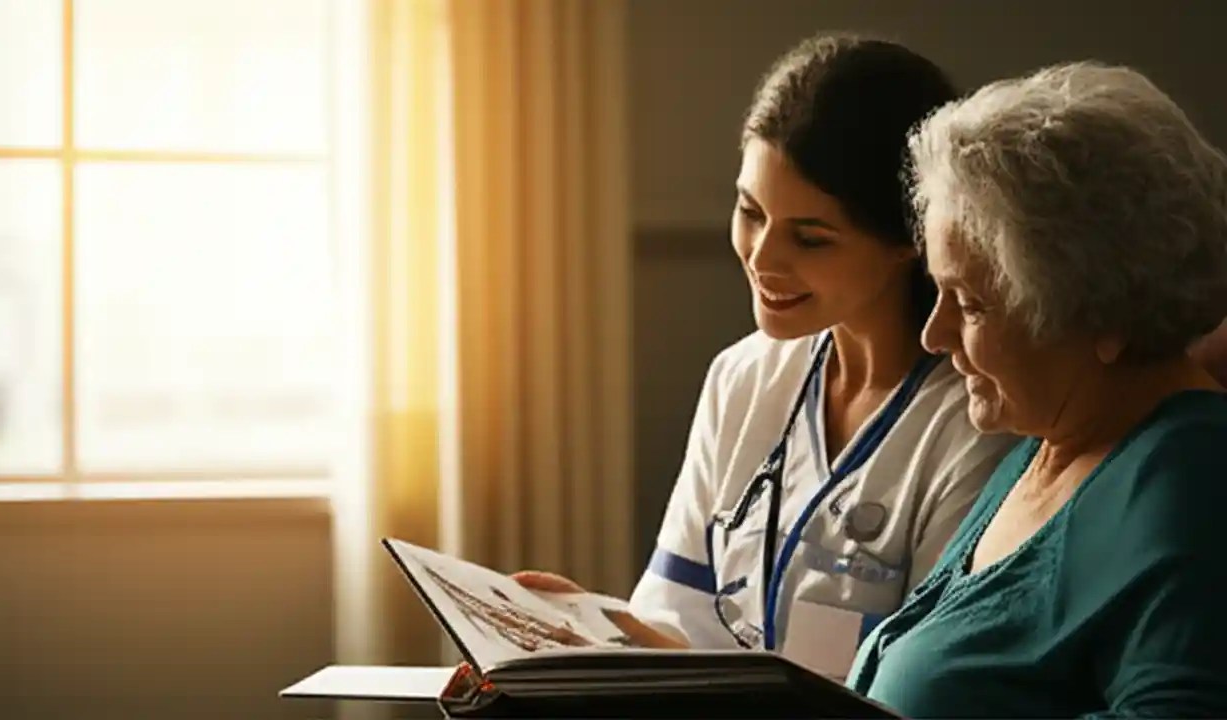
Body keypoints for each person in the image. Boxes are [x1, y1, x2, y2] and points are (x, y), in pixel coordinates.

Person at [516, 33, 1016, 679]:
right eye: (750, 212)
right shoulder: (745, 376)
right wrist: (590, 634)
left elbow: (920, 689)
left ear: (911, 240)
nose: (762, 258)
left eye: (810, 238)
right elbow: (682, 624)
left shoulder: (978, 421)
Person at [847, 61, 1227, 716]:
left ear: (1103, 311)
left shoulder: (1189, 484)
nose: (934, 335)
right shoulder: (1051, 443)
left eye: (970, 304)